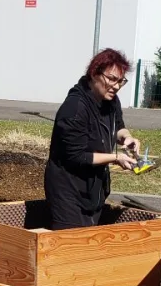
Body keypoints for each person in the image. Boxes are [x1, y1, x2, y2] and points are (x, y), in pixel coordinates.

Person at [44, 48, 141, 230]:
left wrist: (127, 138)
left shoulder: (111, 100)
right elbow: (77, 156)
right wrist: (115, 158)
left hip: (94, 189)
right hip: (68, 191)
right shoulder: (75, 108)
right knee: (72, 246)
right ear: (94, 73)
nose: (117, 86)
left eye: (121, 81)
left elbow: (118, 127)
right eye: (112, 79)